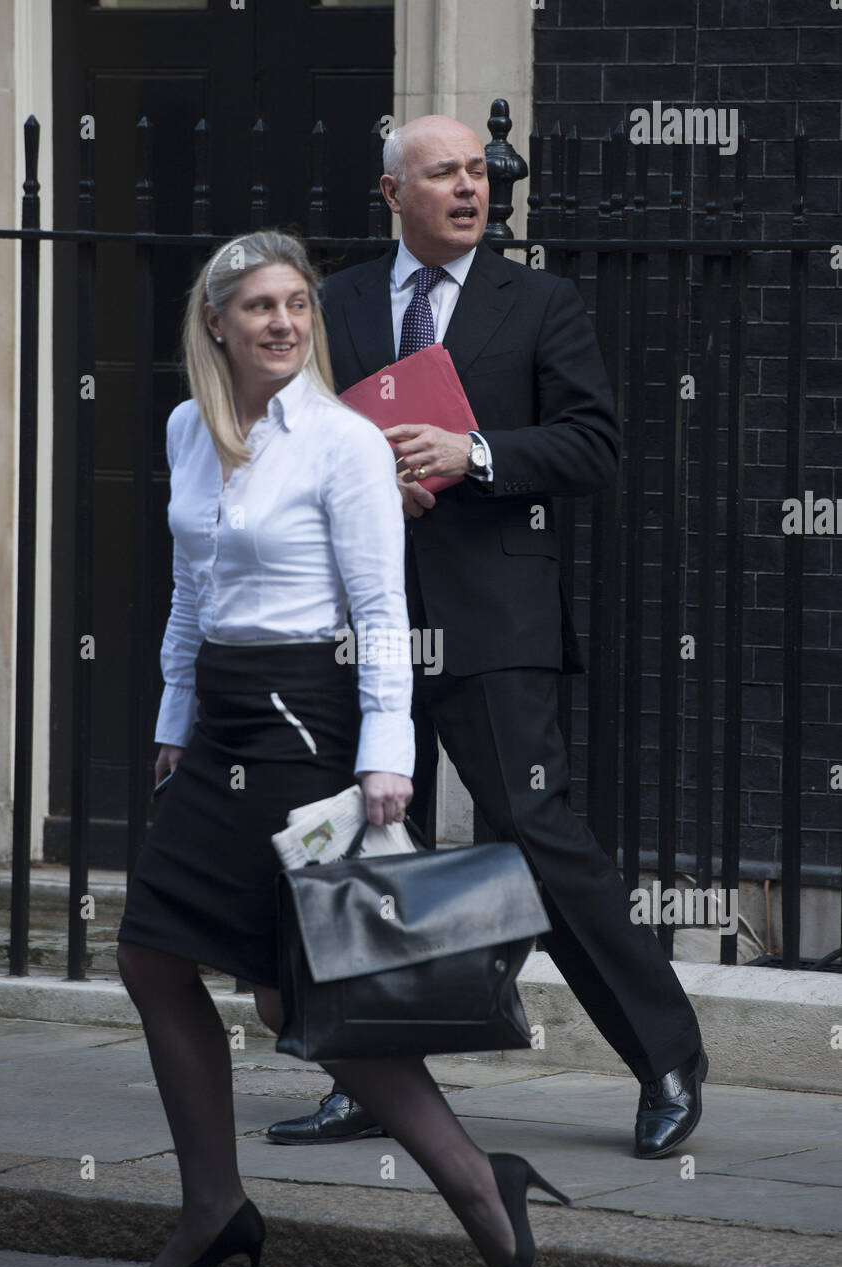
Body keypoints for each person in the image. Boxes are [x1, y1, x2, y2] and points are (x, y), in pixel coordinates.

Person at [96, 229, 569, 1267]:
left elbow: (383, 612)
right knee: (155, 957)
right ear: (214, 321)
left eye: (296, 306)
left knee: (294, 991)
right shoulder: (188, 428)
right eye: (259, 306)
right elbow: (189, 591)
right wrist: (175, 716)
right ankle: (215, 1208)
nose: (282, 324)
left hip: (303, 726)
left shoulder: (342, 441)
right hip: (219, 717)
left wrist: (386, 755)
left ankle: (476, 1185)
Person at [267, 117, 708, 1159]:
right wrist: (360, 483)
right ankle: (370, 1074)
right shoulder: (333, 304)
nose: (470, 188)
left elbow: (593, 444)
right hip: (363, 618)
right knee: (362, 847)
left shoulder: (540, 302)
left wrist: (471, 454)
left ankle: (666, 1056)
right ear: (391, 193)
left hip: (493, 615)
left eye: (478, 171)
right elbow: (291, 438)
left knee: (537, 834)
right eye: (445, 174)